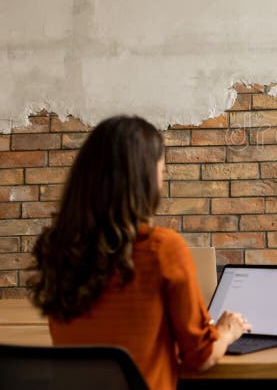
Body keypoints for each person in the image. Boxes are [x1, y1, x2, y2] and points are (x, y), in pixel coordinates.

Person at [27, 115, 251, 390]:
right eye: (161, 169)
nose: (162, 176)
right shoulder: (162, 249)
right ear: (144, 178)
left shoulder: (59, 250)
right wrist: (226, 332)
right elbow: (201, 356)